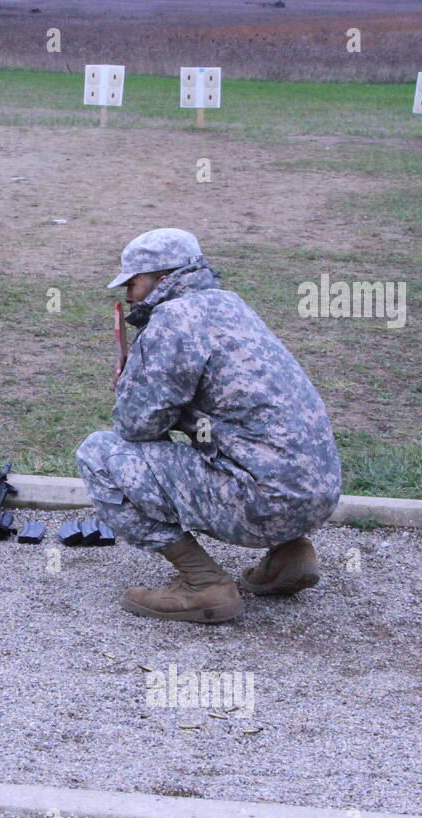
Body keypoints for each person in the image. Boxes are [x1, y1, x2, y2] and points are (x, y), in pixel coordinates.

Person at [76, 229, 342, 623]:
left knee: (98, 454)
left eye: (133, 283)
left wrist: (128, 383)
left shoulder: (173, 317)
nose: (130, 296)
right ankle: (289, 554)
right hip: (319, 495)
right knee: (249, 442)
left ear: (161, 277)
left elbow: (136, 425)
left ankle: (203, 585)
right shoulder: (230, 306)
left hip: (265, 502)